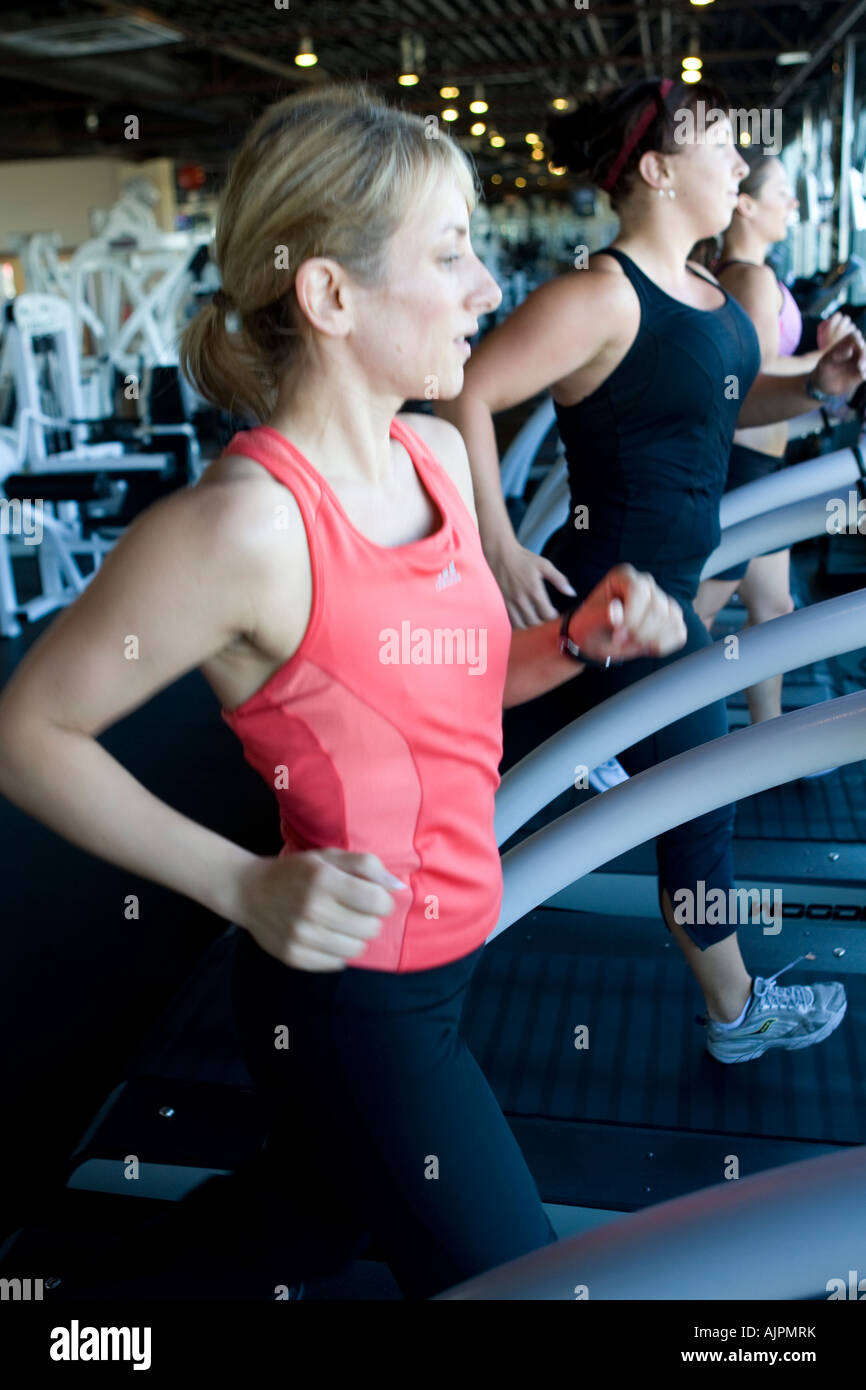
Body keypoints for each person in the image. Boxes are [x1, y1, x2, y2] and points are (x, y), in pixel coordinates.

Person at [0, 85, 687, 1301]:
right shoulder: (245, 529)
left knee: (300, 1221)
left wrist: (580, 641)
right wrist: (241, 883)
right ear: (328, 295)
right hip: (354, 994)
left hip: (449, 951)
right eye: (449, 252)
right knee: (511, 1284)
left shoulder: (426, 454)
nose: (486, 287)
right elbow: (26, 731)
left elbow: (460, 678)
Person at [435, 77, 866, 1064]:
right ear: (659, 171)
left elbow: (729, 407)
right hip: (609, 599)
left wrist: (821, 393)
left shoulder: (710, 297)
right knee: (693, 795)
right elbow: (466, 393)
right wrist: (495, 542)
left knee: (485, 781)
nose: (736, 168)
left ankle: (385, 944)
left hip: (662, 598)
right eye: (718, 150)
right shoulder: (597, 294)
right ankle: (734, 1012)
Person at [694, 147, 857, 724]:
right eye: (781, 191)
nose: (792, 202)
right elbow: (751, 384)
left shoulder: (746, 275)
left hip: (764, 466)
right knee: (697, 621)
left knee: (775, 606)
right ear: (745, 204)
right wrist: (825, 360)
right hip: (743, 467)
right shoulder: (753, 281)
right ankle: (638, 747)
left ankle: (766, 735)